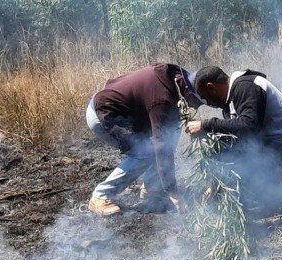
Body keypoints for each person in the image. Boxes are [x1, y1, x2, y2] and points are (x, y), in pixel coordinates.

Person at [186, 66, 282, 215]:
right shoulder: (230, 103)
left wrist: (206, 125)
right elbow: (237, 140)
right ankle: (276, 193)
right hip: (276, 150)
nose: (209, 103)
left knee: (240, 169)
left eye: (206, 98)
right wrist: (213, 183)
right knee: (230, 158)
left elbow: (249, 126)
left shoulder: (246, 86)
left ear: (211, 87)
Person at [85, 63, 200, 216]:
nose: (193, 107)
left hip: (126, 113)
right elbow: (161, 146)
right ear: (189, 92)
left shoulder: (178, 79)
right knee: (145, 153)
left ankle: (153, 189)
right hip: (105, 114)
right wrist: (172, 191)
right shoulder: (162, 99)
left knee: (168, 134)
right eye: (194, 103)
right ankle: (101, 196)